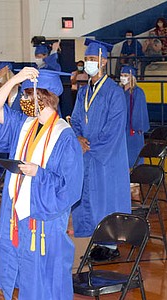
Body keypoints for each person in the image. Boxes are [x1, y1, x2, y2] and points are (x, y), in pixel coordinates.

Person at [0, 68, 84, 300]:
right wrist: (14, 81)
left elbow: (70, 186)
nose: (25, 101)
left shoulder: (64, 136)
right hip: (23, 216)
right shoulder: (25, 125)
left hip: (48, 219)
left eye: (30, 95)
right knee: (32, 280)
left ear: (46, 98)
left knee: (54, 281)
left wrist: (37, 174)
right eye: (25, 95)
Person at [71, 39, 130, 260]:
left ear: (103, 61)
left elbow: (114, 128)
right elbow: (76, 119)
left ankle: (111, 246)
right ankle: (95, 240)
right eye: (86, 59)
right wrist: (77, 138)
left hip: (107, 158)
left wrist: (90, 146)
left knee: (106, 198)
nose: (88, 63)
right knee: (88, 198)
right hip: (86, 155)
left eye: (92, 59)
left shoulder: (115, 93)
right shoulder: (83, 92)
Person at [120, 66, 150, 168]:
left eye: (125, 75)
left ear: (132, 77)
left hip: (132, 129)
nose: (123, 78)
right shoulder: (119, 92)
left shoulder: (137, 92)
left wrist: (138, 126)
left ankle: (136, 174)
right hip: (120, 128)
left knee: (134, 154)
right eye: (121, 75)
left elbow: (139, 110)